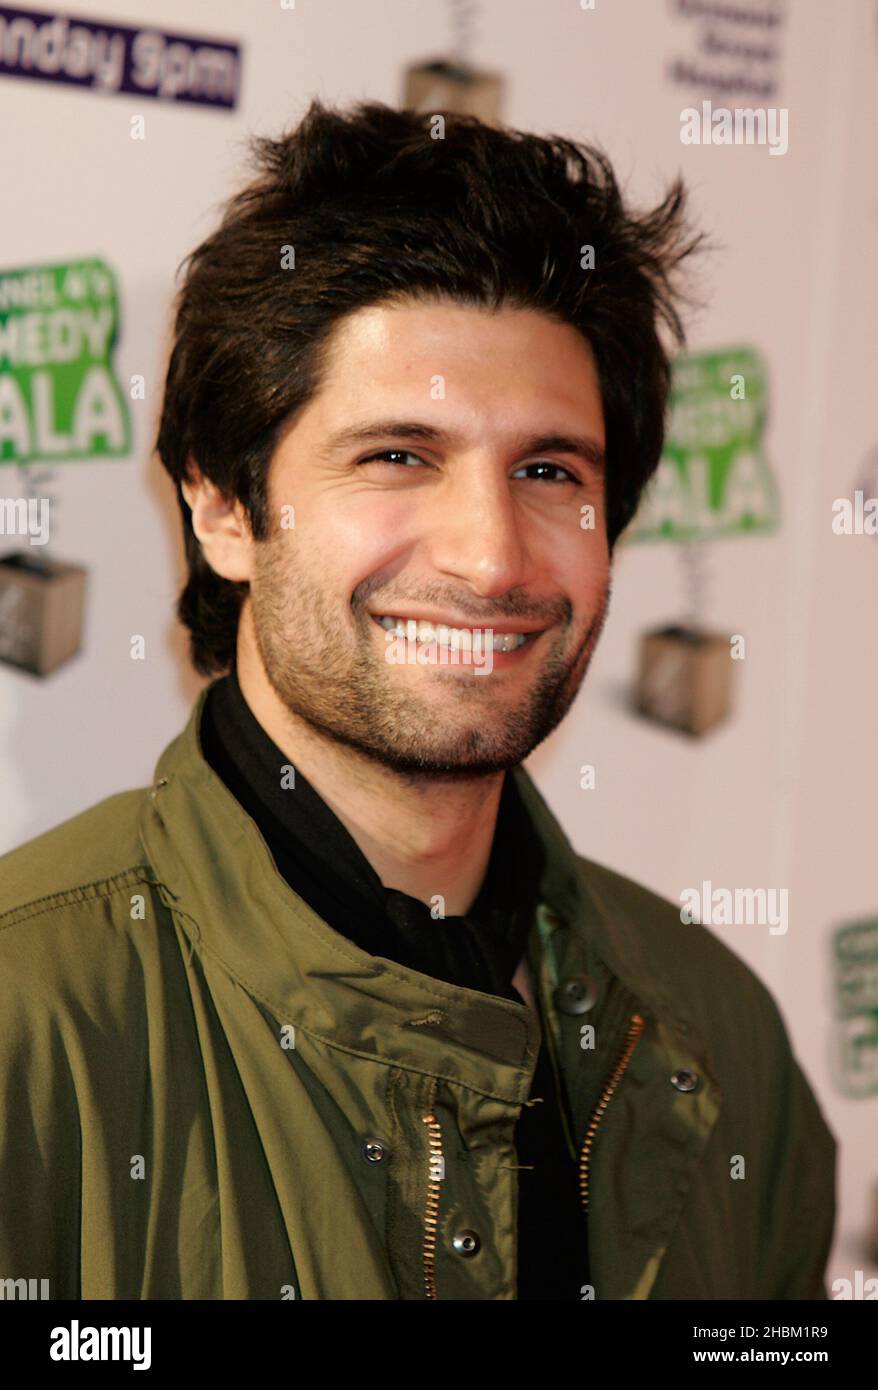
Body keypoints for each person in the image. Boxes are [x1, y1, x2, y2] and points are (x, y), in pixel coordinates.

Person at [0, 98, 835, 1300]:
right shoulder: (34, 1022)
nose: (490, 556)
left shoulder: (714, 1031)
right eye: (398, 455)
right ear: (224, 509)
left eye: (548, 471)